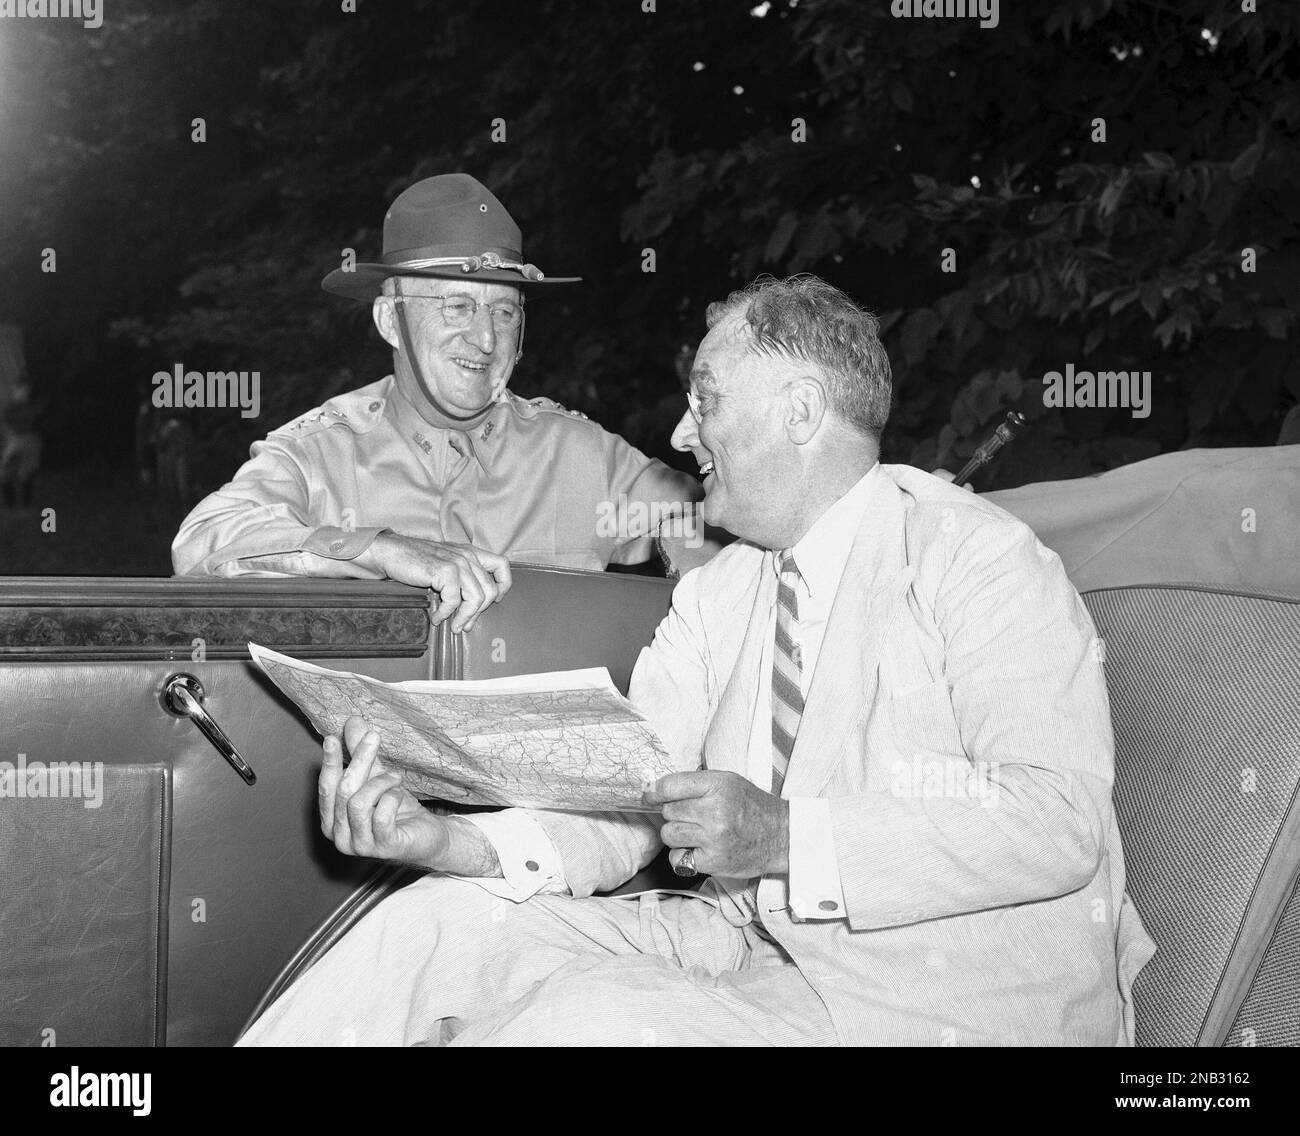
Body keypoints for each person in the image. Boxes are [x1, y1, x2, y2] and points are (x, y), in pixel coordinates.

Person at [239, 274, 1154, 1047]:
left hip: (944, 993)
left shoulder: (979, 558)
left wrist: (791, 838)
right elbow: (631, 804)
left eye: (706, 399)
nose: (681, 433)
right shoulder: (719, 595)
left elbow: (1058, 819)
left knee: (587, 1024)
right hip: (745, 943)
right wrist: (441, 841)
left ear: (799, 411)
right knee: (434, 926)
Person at [172, 173, 703, 631]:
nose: (487, 340)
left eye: (506, 312)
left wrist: (698, 572)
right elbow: (200, 545)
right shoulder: (322, 454)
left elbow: (717, 523)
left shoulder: (581, 455)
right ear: (390, 321)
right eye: (456, 306)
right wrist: (378, 549)